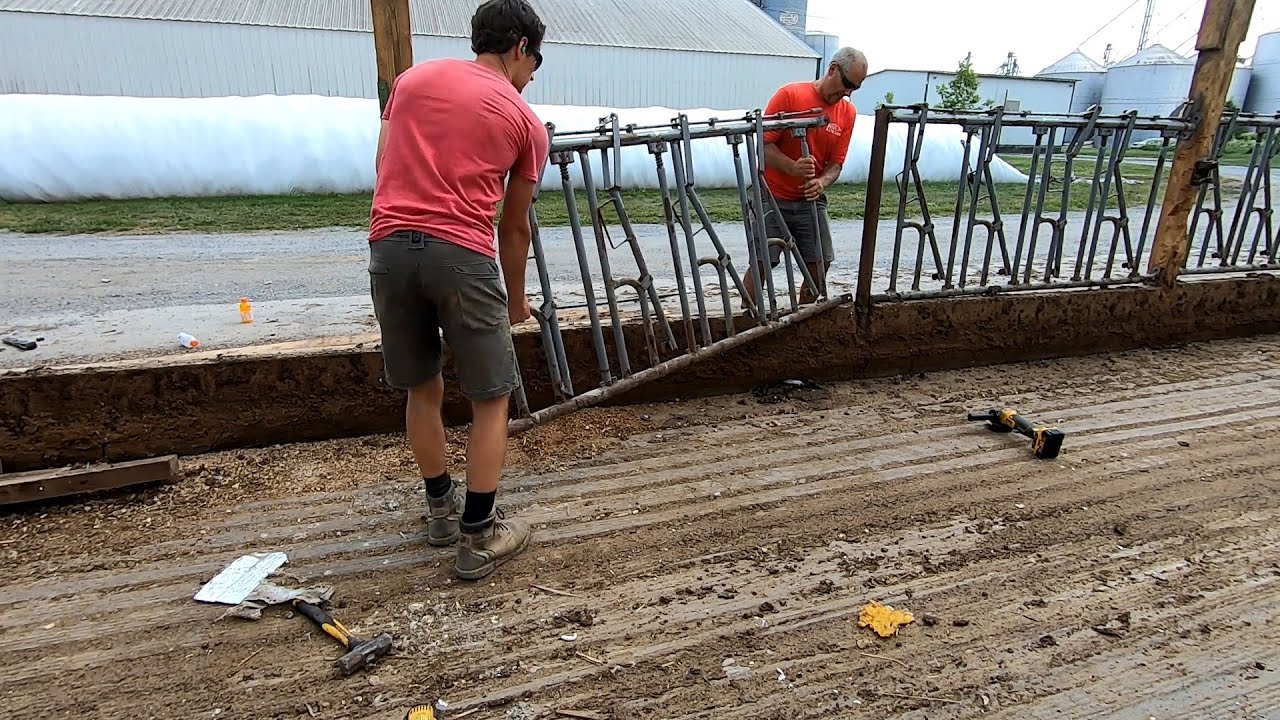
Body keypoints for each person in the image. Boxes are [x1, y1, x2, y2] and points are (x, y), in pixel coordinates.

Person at [366, 0, 548, 581]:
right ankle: (479, 535)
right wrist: (515, 300)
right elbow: (513, 226)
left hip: (389, 248)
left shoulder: (411, 81)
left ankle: (440, 511)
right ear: (520, 48)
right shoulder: (522, 119)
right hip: (462, 255)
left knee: (423, 388)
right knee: (491, 399)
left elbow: (383, 162)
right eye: (533, 64)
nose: (529, 78)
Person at [743, 47, 867, 308]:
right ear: (833, 69)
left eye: (855, 88)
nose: (848, 93)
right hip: (772, 193)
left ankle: (805, 316)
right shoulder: (790, 95)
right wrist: (791, 167)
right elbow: (762, 146)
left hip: (809, 198)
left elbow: (836, 164)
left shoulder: (847, 113)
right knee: (764, 259)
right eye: (846, 84)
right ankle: (749, 316)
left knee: (820, 260)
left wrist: (821, 182)